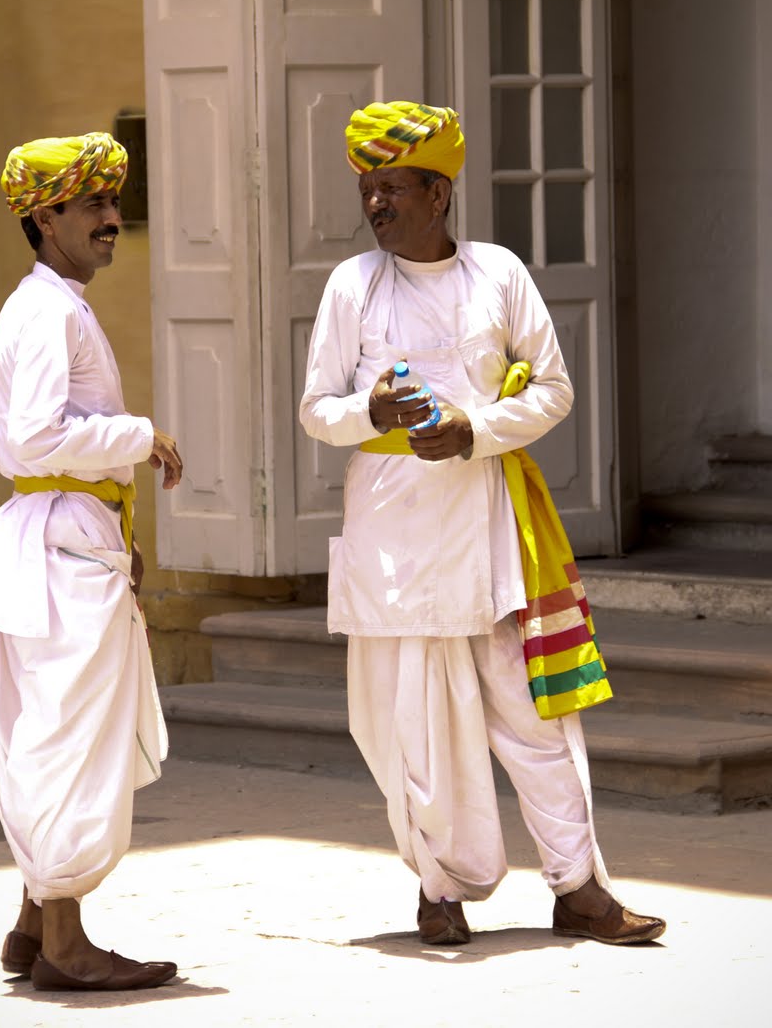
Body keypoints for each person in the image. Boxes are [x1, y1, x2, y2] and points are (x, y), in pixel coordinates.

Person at [299, 102, 665, 947]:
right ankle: (440, 889)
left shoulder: (498, 275)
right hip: (394, 538)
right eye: (368, 189)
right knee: (415, 722)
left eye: (393, 188)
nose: (377, 205)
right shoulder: (350, 285)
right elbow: (318, 410)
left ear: (440, 194)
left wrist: (475, 430)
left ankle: (579, 888)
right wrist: (372, 410)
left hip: (490, 532)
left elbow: (554, 388)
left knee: (534, 715)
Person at [0, 132, 185, 991]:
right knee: (67, 741)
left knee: (53, 731)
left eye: (110, 202)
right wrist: (142, 436)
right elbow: (31, 435)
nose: (108, 218)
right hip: (55, 543)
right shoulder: (50, 308)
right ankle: (65, 942)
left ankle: (31, 925)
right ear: (44, 217)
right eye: (89, 204)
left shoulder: (48, 302)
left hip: (55, 532)